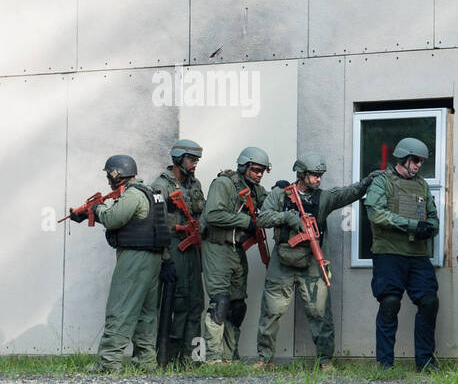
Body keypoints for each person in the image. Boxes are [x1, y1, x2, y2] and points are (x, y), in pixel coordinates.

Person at [254, 153, 379, 369]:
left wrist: (367, 182)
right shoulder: (281, 195)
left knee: (320, 312)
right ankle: (264, 359)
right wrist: (286, 217)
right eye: (314, 175)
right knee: (271, 310)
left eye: (320, 175)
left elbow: (346, 194)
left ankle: (324, 360)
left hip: (312, 260)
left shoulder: (323, 198)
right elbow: (262, 218)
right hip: (282, 259)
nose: (319, 179)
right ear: (301, 174)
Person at [70, 155, 170, 373]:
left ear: (117, 175)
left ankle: (109, 362)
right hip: (153, 259)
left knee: (120, 308)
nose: (108, 180)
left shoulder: (133, 194)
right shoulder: (151, 192)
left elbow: (114, 218)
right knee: (146, 313)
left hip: (135, 259)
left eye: (109, 175)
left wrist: (96, 209)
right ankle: (145, 362)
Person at [364, 137, 439, 370]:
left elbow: (433, 217)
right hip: (389, 252)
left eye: (421, 162)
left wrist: (429, 228)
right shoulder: (382, 182)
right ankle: (385, 364)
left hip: (417, 255)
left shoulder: (422, 185)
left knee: (429, 302)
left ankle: (425, 363)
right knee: (390, 303)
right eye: (415, 160)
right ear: (403, 158)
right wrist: (412, 226)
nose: (418, 165)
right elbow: (376, 214)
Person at [199, 146, 271, 362]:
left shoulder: (254, 188)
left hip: (237, 249)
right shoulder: (224, 184)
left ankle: (230, 356)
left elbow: (268, 204)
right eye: (256, 170)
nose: (259, 175)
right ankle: (213, 357)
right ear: (245, 166)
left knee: (237, 305)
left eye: (262, 171)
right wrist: (245, 221)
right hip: (217, 247)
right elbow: (213, 214)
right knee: (220, 302)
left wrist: (282, 191)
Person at [151, 139, 205, 367]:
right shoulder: (160, 186)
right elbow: (156, 222)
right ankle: (171, 359)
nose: (194, 165)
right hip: (174, 248)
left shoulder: (194, 184)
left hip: (192, 249)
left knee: (196, 303)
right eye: (191, 160)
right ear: (178, 159)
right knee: (178, 303)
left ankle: (192, 358)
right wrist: (165, 258)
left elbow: (201, 211)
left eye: (196, 161)